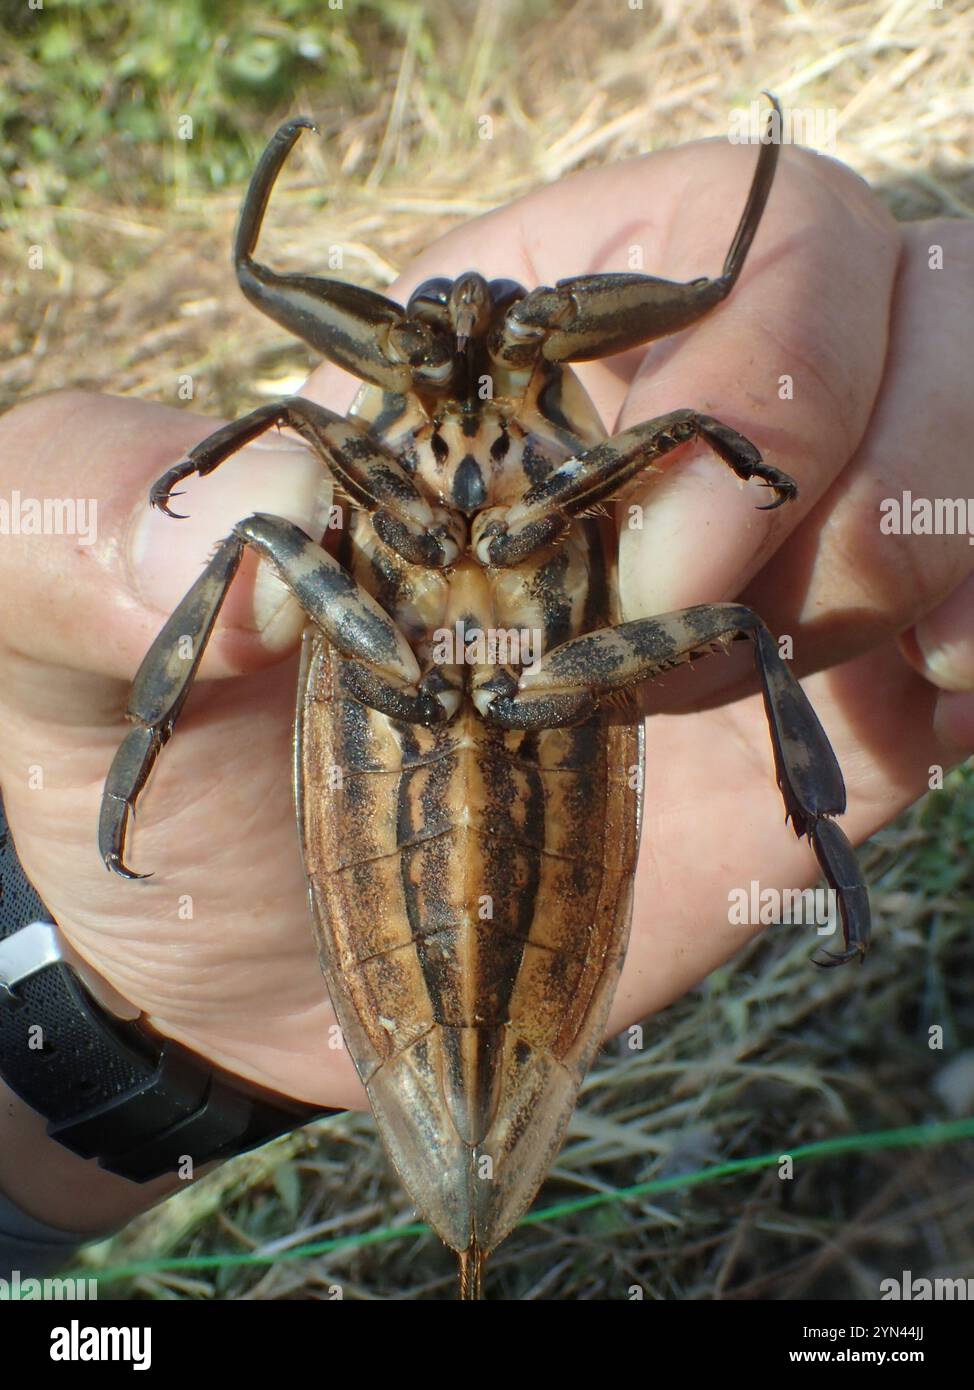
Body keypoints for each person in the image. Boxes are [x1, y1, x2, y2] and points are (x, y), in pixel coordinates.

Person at [1, 127, 971, 1271]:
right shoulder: (349, 458)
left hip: (507, 701)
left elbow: (674, 400)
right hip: (449, 695)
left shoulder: (559, 472)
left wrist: (695, 417)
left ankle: (812, 812)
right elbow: (291, 405)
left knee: (729, 615)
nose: (471, 363)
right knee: (263, 528)